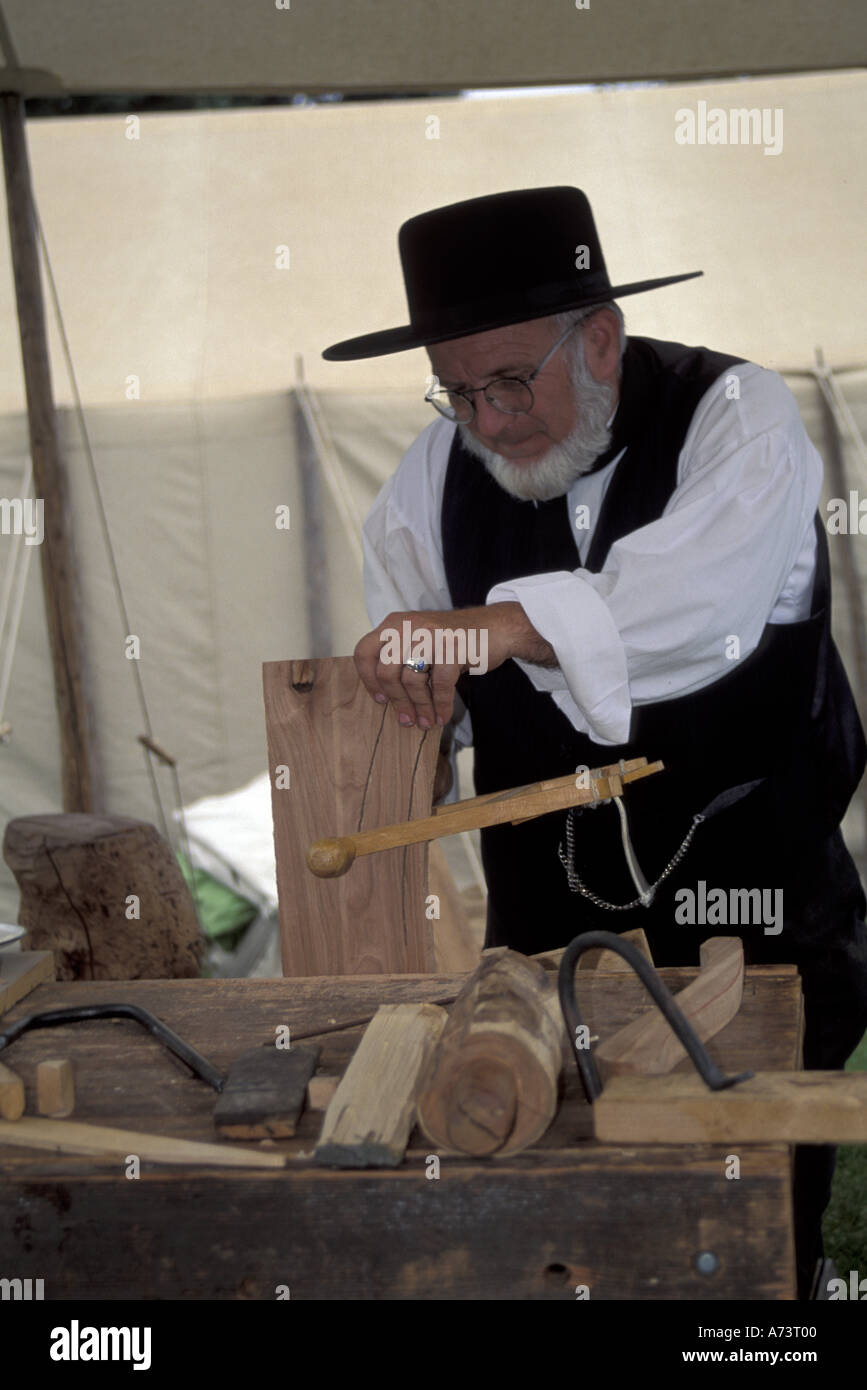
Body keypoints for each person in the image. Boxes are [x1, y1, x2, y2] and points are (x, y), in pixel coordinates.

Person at [322, 186, 867, 1298]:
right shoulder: (434, 477)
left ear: (603, 338)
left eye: (513, 379)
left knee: (755, 1239)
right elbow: (420, 692)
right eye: (458, 389)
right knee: (564, 1234)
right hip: (543, 939)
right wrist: (407, 693)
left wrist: (492, 627)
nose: (488, 419)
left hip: (751, 917)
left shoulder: (735, 415)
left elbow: (693, 608)